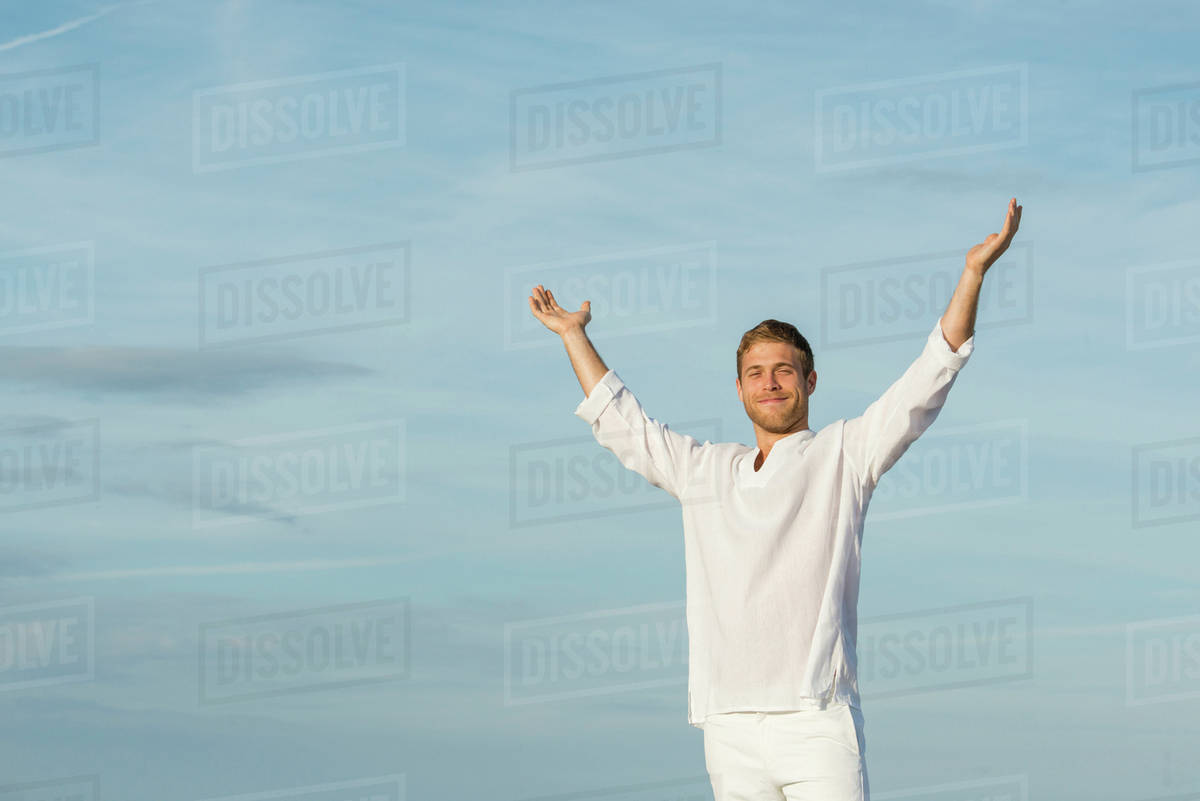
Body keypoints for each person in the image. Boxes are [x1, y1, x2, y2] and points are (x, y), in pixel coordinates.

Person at [528, 198, 1023, 801]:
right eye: (757, 372)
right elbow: (623, 426)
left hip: (815, 718)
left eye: (784, 370)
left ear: (809, 382)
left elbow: (927, 380)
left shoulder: (845, 455)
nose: (770, 382)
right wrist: (573, 336)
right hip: (728, 725)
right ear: (738, 388)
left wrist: (972, 275)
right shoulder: (706, 469)